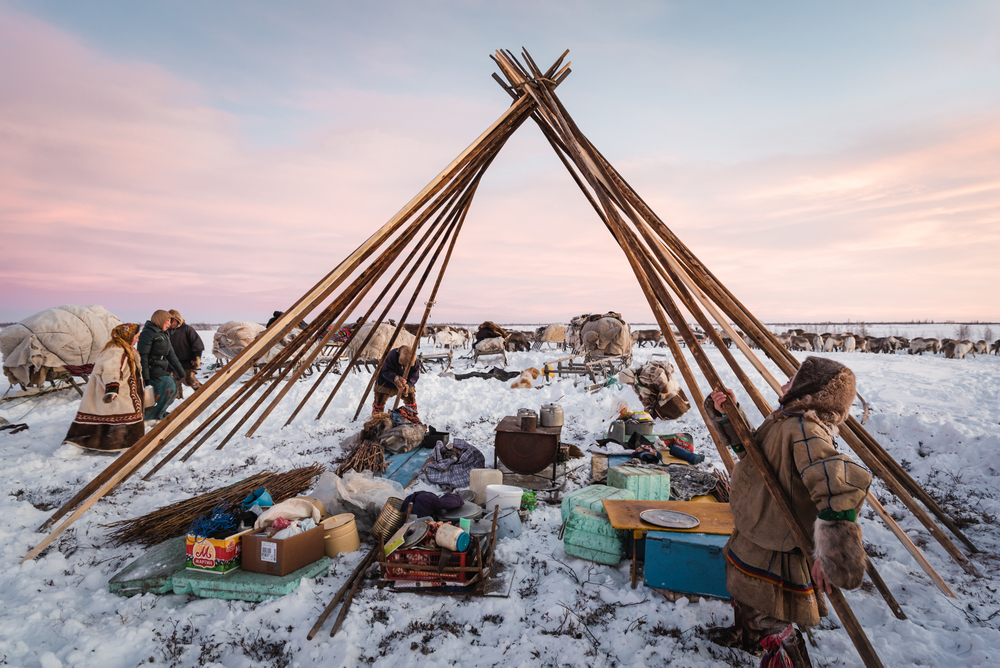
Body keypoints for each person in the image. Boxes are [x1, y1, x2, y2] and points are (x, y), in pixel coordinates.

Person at [703, 357, 872, 667]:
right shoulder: (784, 419)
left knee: (767, 610)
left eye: (793, 382)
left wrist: (831, 556)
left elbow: (839, 485)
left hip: (777, 534)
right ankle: (744, 637)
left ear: (809, 393)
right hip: (758, 522)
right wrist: (730, 414)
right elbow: (753, 452)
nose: (784, 385)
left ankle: (789, 658)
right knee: (744, 593)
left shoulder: (805, 429)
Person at [63, 323, 146, 452]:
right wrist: (112, 388)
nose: (137, 339)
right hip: (117, 391)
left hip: (121, 389)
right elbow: (110, 370)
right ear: (127, 336)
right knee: (124, 414)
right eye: (136, 336)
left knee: (107, 415)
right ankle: (124, 444)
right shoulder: (117, 350)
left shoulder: (122, 349)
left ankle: (106, 443)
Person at [138, 310, 185, 422]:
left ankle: (159, 412)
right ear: (160, 320)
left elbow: (171, 355)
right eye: (167, 321)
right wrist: (146, 378)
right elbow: (142, 356)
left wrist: (182, 373)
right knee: (167, 386)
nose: (169, 323)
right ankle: (150, 415)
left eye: (170, 321)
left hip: (160, 369)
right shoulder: (147, 333)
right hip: (150, 370)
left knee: (172, 388)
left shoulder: (164, 334)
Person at [371, 345, 420, 423]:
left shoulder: (415, 361)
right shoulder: (392, 355)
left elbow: (414, 376)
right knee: (380, 398)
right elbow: (386, 371)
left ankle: (411, 416)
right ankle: (377, 418)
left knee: (410, 397)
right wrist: (397, 379)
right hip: (386, 380)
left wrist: (407, 385)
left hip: (405, 382)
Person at [167, 309, 204, 395]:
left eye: (172, 320)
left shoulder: (187, 329)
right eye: (168, 320)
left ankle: (204, 394)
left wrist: (195, 356)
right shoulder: (166, 331)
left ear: (177, 319)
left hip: (186, 362)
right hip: (171, 363)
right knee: (174, 384)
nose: (171, 323)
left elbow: (197, 344)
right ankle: (178, 402)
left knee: (190, 381)